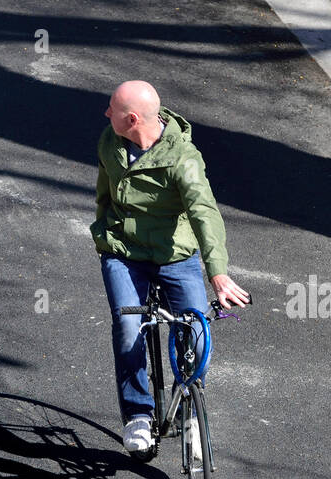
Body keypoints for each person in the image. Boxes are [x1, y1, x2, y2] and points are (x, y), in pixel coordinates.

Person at [92, 80, 250, 455]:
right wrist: (104, 234)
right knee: (129, 325)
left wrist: (218, 272)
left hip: (174, 255)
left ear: (131, 118)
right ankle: (138, 416)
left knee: (194, 327)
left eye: (110, 108)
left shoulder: (184, 157)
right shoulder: (110, 141)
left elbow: (204, 212)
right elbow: (104, 194)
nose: (104, 113)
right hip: (124, 251)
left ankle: (190, 411)